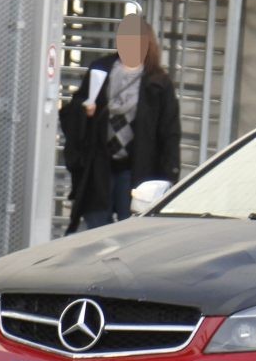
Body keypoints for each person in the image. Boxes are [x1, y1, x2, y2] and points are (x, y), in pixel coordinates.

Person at [59, 14, 181, 233]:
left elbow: (169, 132)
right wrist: (84, 111)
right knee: (94, 229)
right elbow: (72, 112)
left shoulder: (158, 83)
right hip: (99, 166)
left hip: (138, 170)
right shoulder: (101, 70)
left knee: (129, 231)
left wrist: (168, 177)